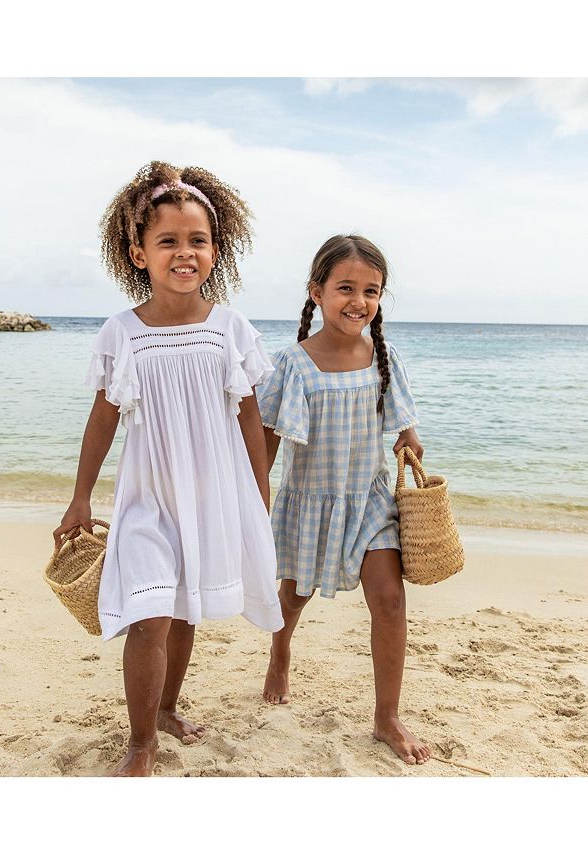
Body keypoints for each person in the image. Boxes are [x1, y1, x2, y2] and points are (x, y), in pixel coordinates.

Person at [53, 161, 283, 776]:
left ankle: (166, 708)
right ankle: (141, 742)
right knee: (149, 615)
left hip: (211, 494)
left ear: (216, 249)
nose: (185, 253)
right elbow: (103, 418)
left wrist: (258, 495)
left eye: (198, 240)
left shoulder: (230, 329)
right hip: (147, 497)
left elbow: (249, 417)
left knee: (185, 612)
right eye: (168, 241)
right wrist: (80, 497)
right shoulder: (121, 332)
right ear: (138, 252)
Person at [256, 234, 431, 765]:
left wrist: (407, 436)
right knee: (293, 598)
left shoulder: (383, 355)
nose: (358, 301)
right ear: (317, 291)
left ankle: (386, 718)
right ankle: (280, 652)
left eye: (371, 291)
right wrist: (252, 500)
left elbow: (402, 420)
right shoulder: (292, 364)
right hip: (312, 500)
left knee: (390, 600)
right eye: (345, 288)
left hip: (371, 501)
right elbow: (266, 441)